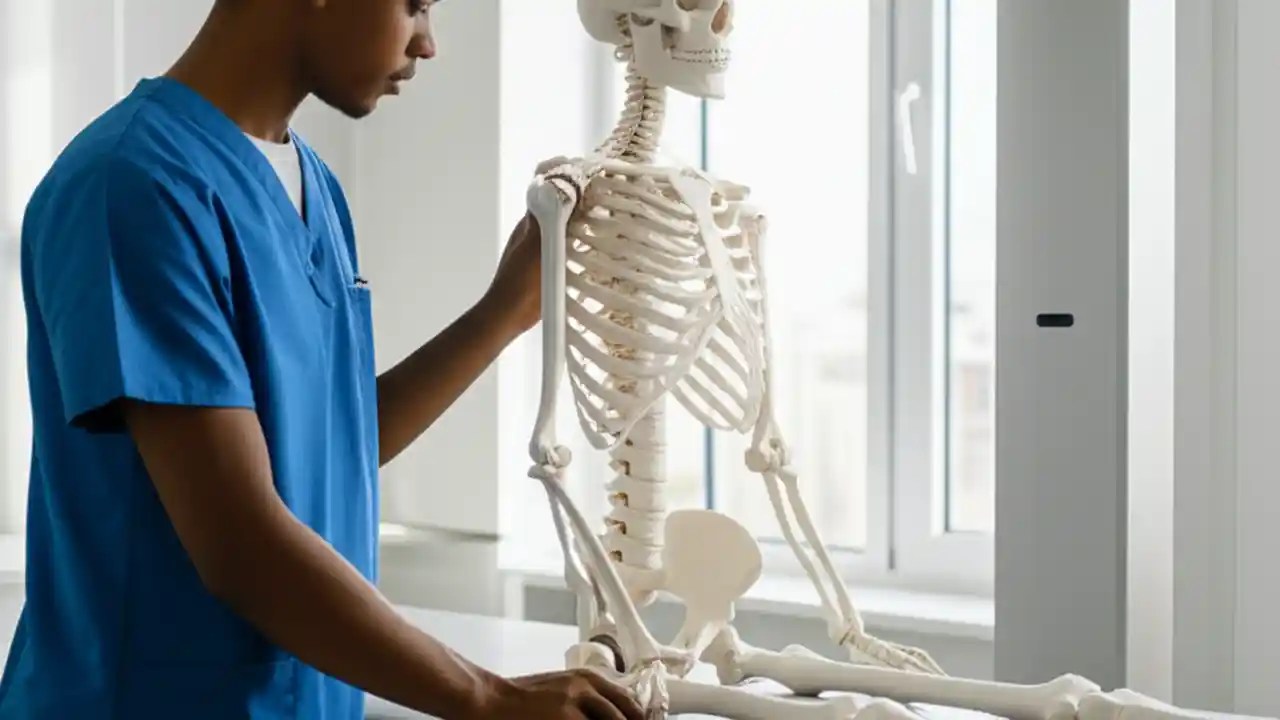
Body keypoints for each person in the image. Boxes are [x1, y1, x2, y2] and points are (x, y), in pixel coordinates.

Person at [0, 1, 644, 718]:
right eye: (415, 5)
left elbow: (334, 444)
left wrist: (504, 314)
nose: (427, 44)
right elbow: (239, 543)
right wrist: (484, 696)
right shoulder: (131, 185)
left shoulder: (314, 185)